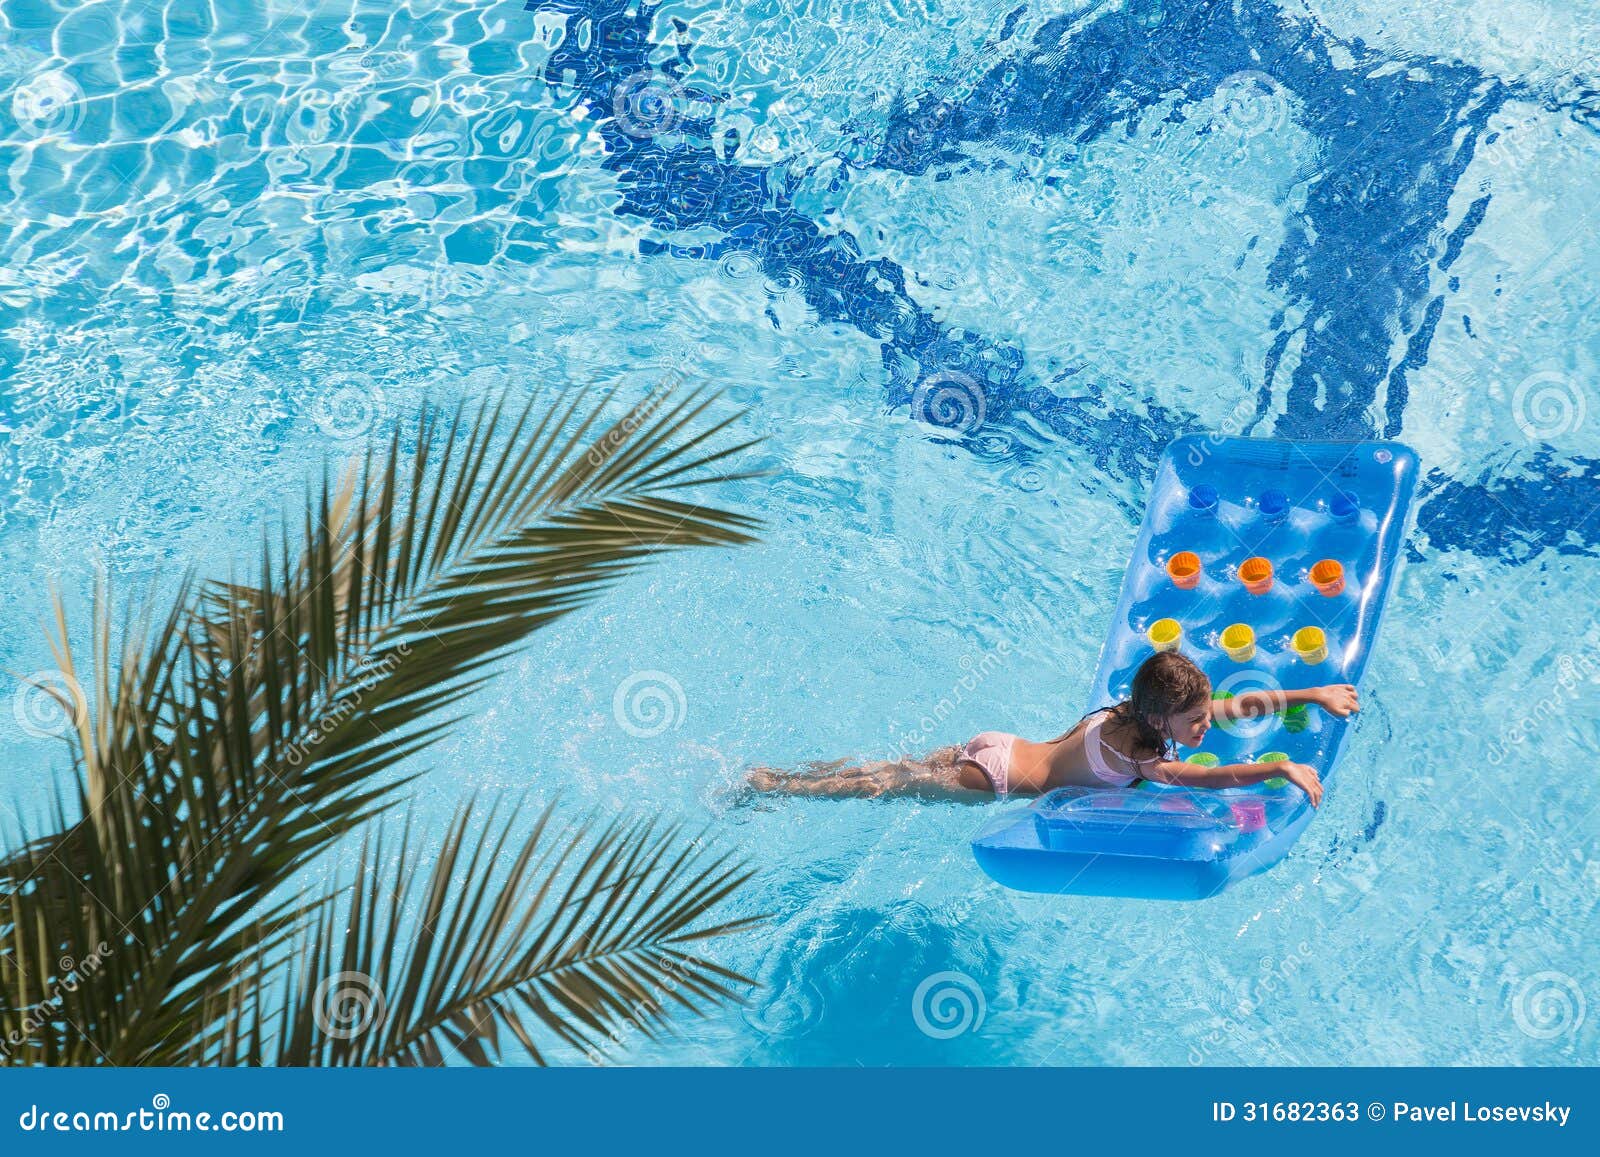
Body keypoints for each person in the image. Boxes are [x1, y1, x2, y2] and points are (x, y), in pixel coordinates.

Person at [744, 652, 1356, 805]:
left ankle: (783, 773)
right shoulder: (1146, 756)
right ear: (1158, 721)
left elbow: (1236, 707)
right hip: (999, 777)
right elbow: (1208, 778)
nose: (1206, 725)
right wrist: (1277, 766)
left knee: (882, 767)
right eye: (1193, 721)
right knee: (876, 787)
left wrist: (1313, 694)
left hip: (999, 742)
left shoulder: (1127, 711)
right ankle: (772, 787)